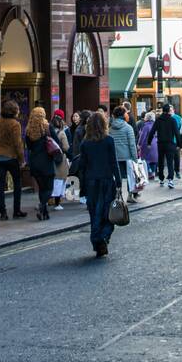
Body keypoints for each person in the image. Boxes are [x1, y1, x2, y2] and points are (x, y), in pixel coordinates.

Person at [78, 110, 121, 257]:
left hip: (91, 182)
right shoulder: (109, 140)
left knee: (94, 214)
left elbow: (82, 167)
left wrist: (81, 187)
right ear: (104, 124)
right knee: (108, 214)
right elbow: (113, 163)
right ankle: (103, 237)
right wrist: (119, 182)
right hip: (107, 181)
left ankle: (97, 241)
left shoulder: (85, 143)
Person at [0, 100, 27, 220]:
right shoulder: (15, 124)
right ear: (14, 111)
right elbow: (18, 144)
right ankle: (16, 211)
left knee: (0, 185)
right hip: (11, 158)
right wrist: (22, 160)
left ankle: (3, 213)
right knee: (17, 183)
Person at [108, 106, 139, 200]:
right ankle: (130, 196)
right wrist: (135, 158)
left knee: (118, 177)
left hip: (115, 156)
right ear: (123, 115)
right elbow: (132, 144)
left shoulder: (110, 128)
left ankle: (117, 195)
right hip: (127, 156)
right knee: (131, 176)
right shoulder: (128, 128)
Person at [151, 103, 181, 187]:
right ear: (168, 111)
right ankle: (170, 180)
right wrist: (179, 144)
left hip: (160, 144)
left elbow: (152, 131)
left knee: (161, 161)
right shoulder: (172, 120)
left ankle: (161, 179)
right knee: (170, 162)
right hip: (170, 144)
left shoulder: (158, 120)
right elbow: (176, 133)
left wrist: (149, 142)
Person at [50, 110, 71, 211]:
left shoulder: (47, 132)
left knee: (53, 181)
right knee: (59, 181)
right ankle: (57, 203)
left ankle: (48, 200)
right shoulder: (62, 133)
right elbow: (66, 147)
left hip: (50, 158)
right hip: (60, 159)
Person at [136, 111, 158, 179]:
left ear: (147, 118)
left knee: (145, 159)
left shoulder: (146, 126)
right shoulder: (156, 125)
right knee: (153, 160)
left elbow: (143, 136)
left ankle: (149, 172)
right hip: (155, 144)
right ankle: (153, 173)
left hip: (146, 145)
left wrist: (139, 144)